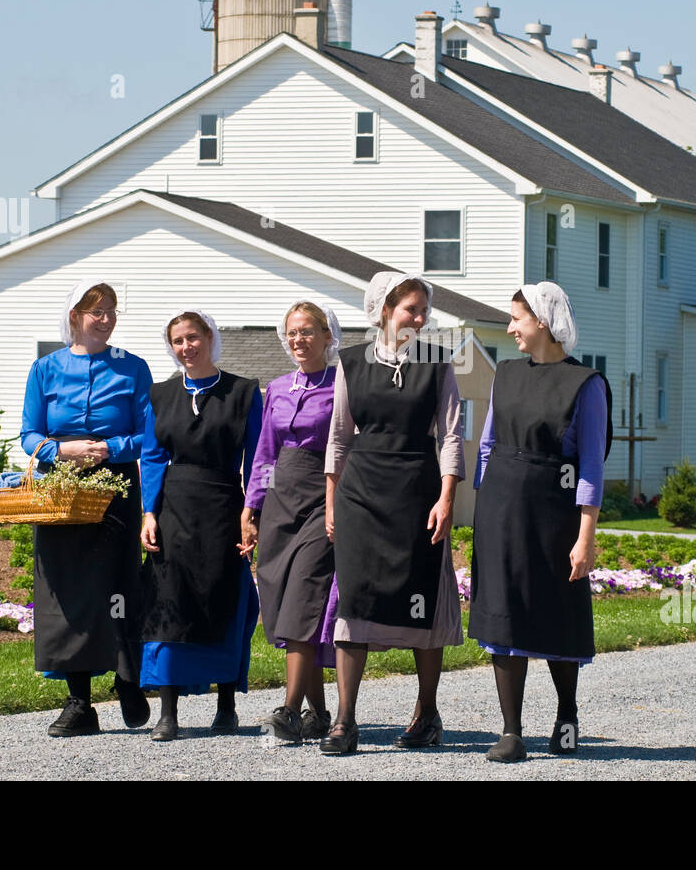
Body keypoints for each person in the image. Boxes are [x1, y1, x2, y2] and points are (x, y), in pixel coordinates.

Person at [469, 282, 612, 762]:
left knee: (555, 611)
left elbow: (591, 464)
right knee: (503, 610)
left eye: (516, 319)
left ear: (543, 322)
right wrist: (484, 503)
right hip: (501, 511)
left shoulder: (585, 384)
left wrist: (585, 537)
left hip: (555, 513)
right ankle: (511, 732)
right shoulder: (505, 374)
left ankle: (566, 716)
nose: (510, 328)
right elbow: (487, 445)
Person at [322, 272, 464, 755]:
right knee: (355, 600)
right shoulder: (351, 361)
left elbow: (448, 434)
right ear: (385, 309)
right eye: (411, 309)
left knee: (421, 596)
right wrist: (330, 500)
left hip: (419, 492)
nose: (420, 319)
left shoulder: (438, 363)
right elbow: (339, 436)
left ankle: (426, 714)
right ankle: (345, 721)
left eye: (425, 310)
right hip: (361, 493)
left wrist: (446, 498)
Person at [20, 279, 153, 737]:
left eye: (112, 309)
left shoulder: (133, 369)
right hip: (60, 486)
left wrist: (110, 447)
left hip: (115, 484)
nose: (107, 317)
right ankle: (79, 703)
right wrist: (63, 453)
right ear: (75, 316)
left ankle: (128, 679)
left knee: (119, 586)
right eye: (97, 310)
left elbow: (147, 436)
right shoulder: (45, 370)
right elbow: (29, 436)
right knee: (69, 589)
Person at [138, 307, 262, 741]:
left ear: (210, 338)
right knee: (168, 604)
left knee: (223, 602)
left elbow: (259, 457)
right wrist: (148, 512)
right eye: (177, 341)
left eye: (193, 337)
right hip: (173, 509)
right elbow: (152, 457)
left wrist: (252, 512)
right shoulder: (159, 395)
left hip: (225, 509)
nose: (186, 347)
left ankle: (226, 705)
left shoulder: (244, 392)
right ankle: (167, 712)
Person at [243, 300, 342, 744]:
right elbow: (265, 453)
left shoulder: (343, 385)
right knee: (284, 601)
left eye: (307, 331)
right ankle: (318, 715)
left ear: (327, 335)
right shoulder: (279, 388)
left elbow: (349, 450)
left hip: (324, 498)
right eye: (292, 333)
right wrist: (252, 507)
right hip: (281, 501)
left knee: (305, 596)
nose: (298, 339)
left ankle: (288, 710)